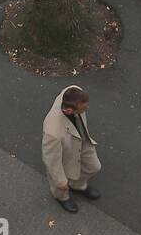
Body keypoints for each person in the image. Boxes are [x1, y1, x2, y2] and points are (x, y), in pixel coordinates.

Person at [41, 85, 101, 213]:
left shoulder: (73, 90)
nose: (87, 109)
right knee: (60, 183)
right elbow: (52, 161)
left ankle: (77, 185)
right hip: (65, 148)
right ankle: (61, 196)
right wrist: (60, 181)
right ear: (69, 111)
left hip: (81, 139)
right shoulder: (53, 132)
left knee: (94, 167)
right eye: (83, 108)